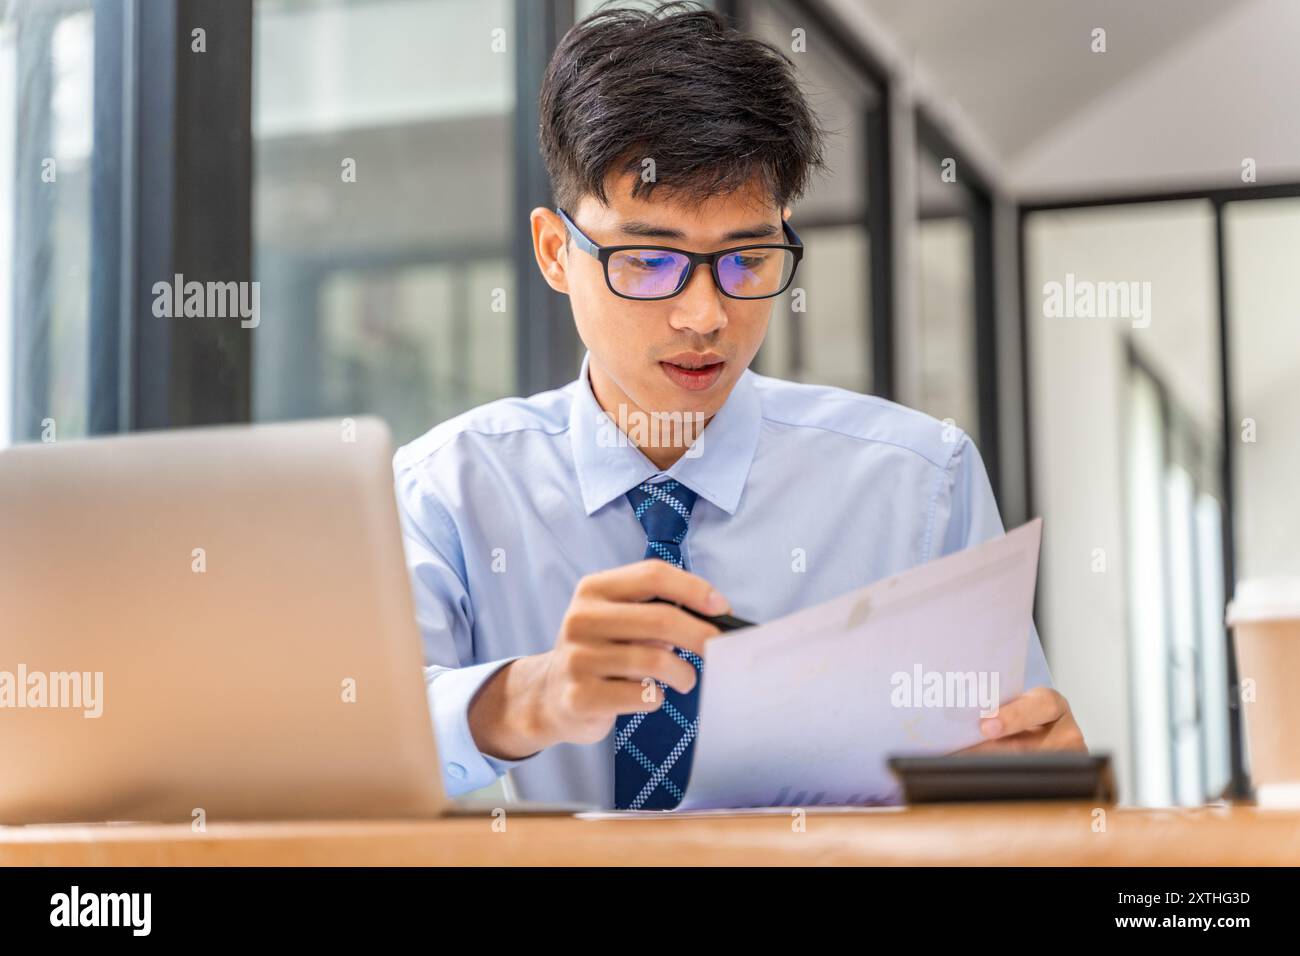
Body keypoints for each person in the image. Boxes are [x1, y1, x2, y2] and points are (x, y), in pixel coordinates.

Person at [394, 2, 1085, 811]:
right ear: (555, 252)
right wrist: (531, 696)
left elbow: (1006, 789)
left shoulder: (918, 484)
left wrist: (1037, 784)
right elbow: (354, 755)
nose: (704, 316)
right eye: (649, 261)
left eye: (747, 259)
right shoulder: (448, 489)